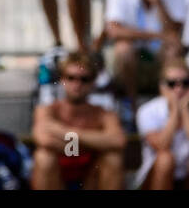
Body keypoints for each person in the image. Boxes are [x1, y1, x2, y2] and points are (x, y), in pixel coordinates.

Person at [30, 52, 126, 190]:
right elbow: (44, 139)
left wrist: (63, 131)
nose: (77, 84)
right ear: (62, 79)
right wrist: (96, 141)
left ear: (93, 82)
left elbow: (118, 141)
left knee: (113, 159)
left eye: (84, 79)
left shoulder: (104, 113)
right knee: (44, 157)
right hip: (58, 177)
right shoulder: (47, 109)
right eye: (71, 78)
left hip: (91, 178)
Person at [103, 0, 185, 106]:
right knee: (124, 48)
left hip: (160, 58)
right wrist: (157, 36)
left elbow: (175, 31)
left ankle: (168, 107)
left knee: (173, 49)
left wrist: (158, 1)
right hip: (131, 62)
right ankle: (131, 107)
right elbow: (113, 31)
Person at [134, 59, 189, 190]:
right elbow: (162, 146)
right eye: (172, 84)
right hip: (156, 177)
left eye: (185, 83)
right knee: (165, 159)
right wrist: (174, 112)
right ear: (161, 87)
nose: (179, 89)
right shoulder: (147, 110)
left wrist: (184, 110)